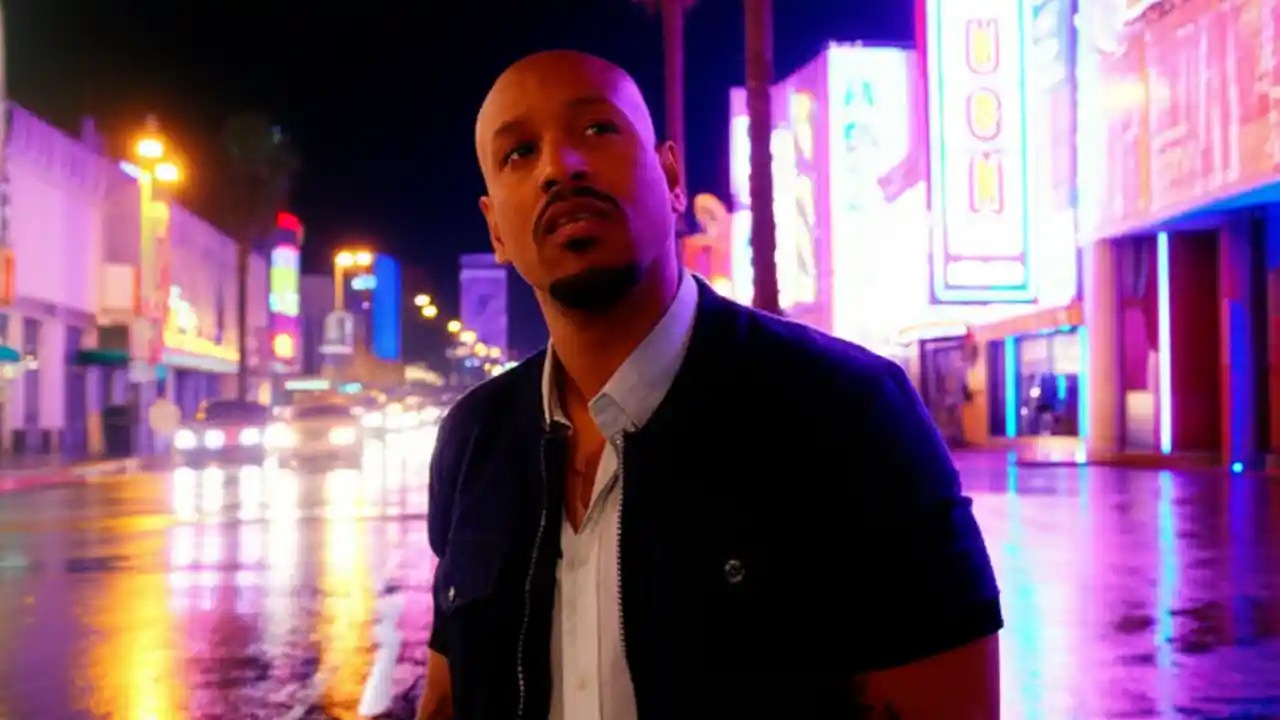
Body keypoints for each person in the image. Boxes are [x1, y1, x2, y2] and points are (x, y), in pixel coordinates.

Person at [419, 50, 1003, 720]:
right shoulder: (473, 441)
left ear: (671, 177)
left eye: (596, 130)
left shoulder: (851, 413)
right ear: (495, 226)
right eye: (520, 152)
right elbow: (446, 694)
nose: (560, 166)